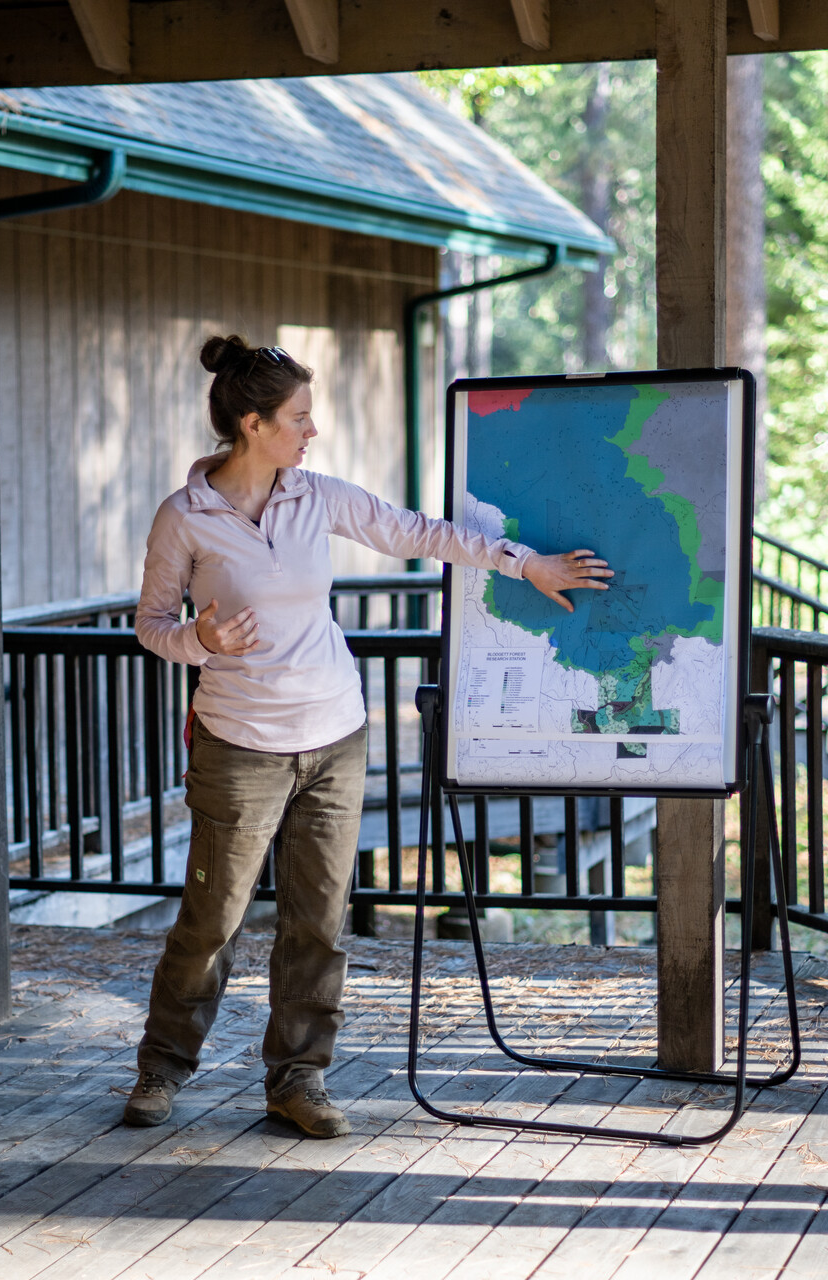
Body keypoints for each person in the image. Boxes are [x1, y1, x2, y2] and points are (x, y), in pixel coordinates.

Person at [126, 336, 611, 1138]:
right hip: (238, 743)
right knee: (214, 919)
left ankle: (298, 1079)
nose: (310, 432)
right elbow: (150, 626)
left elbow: (421, 533)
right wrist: (200, 640)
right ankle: (162, 1068)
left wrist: (527, 565)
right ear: (251, 423)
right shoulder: (184, 517)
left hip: (336, 738)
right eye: (298, 418)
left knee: (318, 921)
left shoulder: (317, 496)